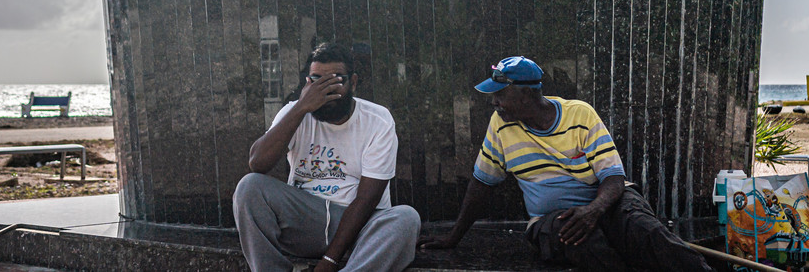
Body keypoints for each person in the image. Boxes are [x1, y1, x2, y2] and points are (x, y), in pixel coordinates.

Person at [419, 56, 713, 271]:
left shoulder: (580, 115)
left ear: (527, 93)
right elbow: (482, 183)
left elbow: (613, 178)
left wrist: (593, 211)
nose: (494, 102)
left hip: (605, 203)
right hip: (551, 219)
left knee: (646, 231)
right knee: (587, 245)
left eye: (500, 94)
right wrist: (453, 236)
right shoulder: (500, 125)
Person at [233, 42, 420, 272]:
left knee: (406, 218)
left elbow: (367, 200)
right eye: (317, 81)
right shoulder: (295, 112)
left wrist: (330, 260)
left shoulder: (377, 120)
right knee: (249, 186)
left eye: (335, 80)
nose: (326, 90)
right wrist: (302, 107)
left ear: (353, 82)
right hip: (306, 223)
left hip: (359, 231)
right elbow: (257, 163)